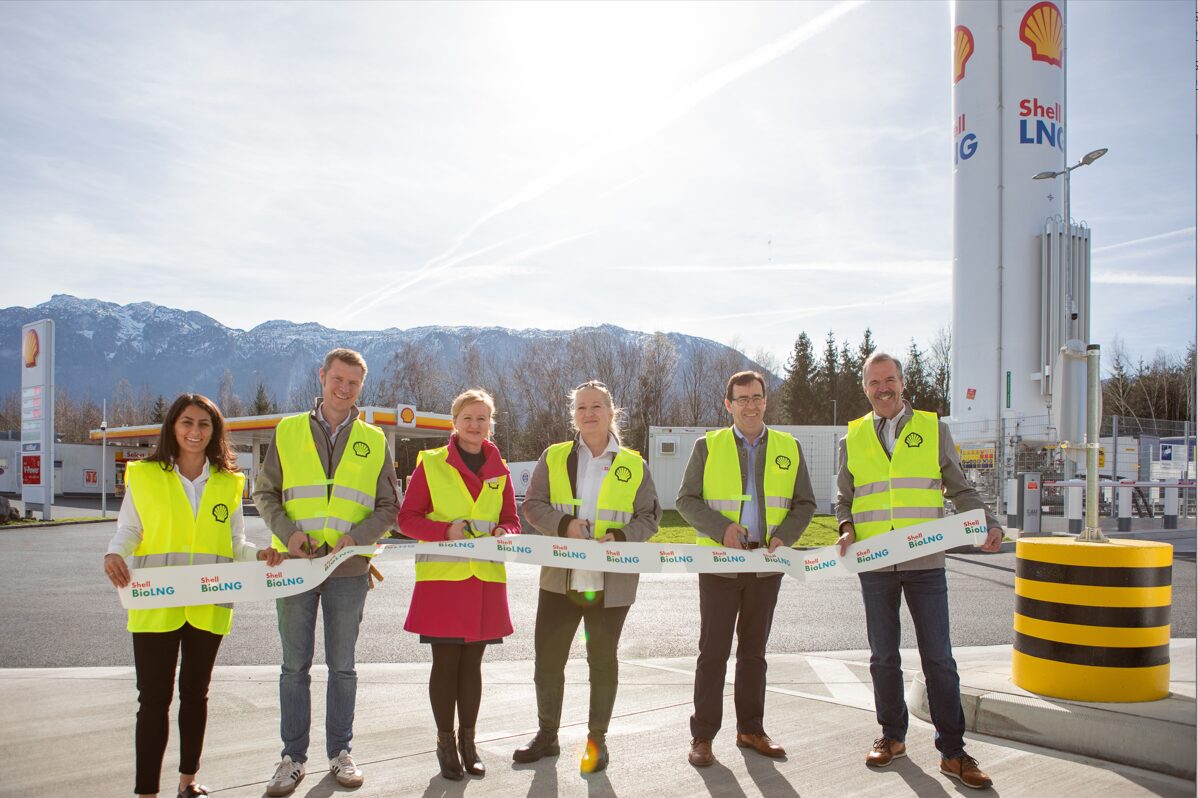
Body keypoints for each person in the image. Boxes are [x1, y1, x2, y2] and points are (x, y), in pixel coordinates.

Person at [103, 394, 285, 798]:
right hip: (156, 604)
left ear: (214, 432)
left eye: (204, 424)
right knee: (153, 700)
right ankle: (147, 791)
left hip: (208, 604)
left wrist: (262, 554)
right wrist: (115, 553)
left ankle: (188, 781)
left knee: (195, 695)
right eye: (187, 422)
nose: (195, 431)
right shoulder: (145, 475)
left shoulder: (228, 481)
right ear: (172, 427)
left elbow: (235, 542)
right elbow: (129, 530)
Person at [835, 351, 1003, 790]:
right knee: (882, 657)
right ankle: (892, 737)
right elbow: (844, 500)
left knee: (939, 658)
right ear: (865, 388)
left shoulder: (933, 429)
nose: (882, 388)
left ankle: (952, 751)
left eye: (889, 379)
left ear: (902, 383)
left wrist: (987, 523)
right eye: (874, 382)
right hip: (874, 564)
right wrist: (846, 527)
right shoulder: (850, 437)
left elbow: (960, 488)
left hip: (925, 563)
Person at [254, 348, 400, 796]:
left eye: (353, 382)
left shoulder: (374, 439)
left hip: (349, 570)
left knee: (343, 666)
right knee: (294, 666)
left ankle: (340, 752)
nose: (344, 388)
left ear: (361, 386)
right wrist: (287, 534)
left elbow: (388, 505)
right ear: (322, 377)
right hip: (297, 567)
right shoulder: (289, 430)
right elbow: (265, 493)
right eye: (337, 379)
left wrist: (357, 538)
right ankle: (292, 759)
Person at [516, 380, 661, 774]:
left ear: (612, 412)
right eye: (581, 408)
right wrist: (564, 524)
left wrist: (621, 535)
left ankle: (597, 741)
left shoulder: (634, 464)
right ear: (573, 415)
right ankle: (547, 736)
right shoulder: (555, 456)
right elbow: (532, 506)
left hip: (610, 586)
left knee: (602, 662)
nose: (589, 414)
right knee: (548, 662)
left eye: (596, 406)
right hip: (560, 581)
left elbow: (651, 517)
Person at [677, 370, 817, 768]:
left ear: (765, 401)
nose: (751, 405)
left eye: (757, 397)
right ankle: (702, 736)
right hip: (720, 565)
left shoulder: (788, 446)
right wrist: (722, 530)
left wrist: (784, 535)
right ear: (728, 404)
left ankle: (751, 729)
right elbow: (686, 499)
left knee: (754, 653)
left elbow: (804, 503)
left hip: (767, 566)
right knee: (713, 653)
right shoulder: (708, 446)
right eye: (742, 399)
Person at [397, 389, 520, 780]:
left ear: (490, 423)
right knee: (445, 664)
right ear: (455, 421)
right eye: (468, 417)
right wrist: (444, 530)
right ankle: (445, 742)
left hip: (483, 579)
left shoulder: (499, 469)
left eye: (482, 418)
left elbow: (513, 520)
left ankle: (469, 742)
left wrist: (504, 530)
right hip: (443, 582)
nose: (474, 425)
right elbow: (407, 519)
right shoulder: (431, 464)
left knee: (473, 666)